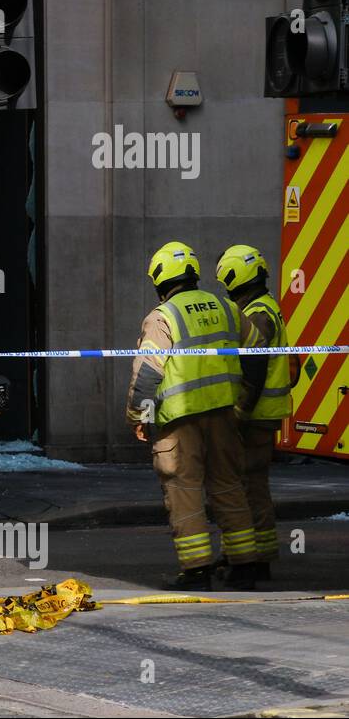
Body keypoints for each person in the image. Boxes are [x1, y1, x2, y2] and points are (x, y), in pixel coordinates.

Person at [126, 241, 259, 590]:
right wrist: (244, 401)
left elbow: (147, 375)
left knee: (183, 490)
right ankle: (245, 566)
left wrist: (139, 415)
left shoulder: (162, 317)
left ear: (160, 280)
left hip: (179, 421)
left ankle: (197, 570)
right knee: (229, 485)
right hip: (224, 416)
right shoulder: (227, 307)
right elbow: (260, 349)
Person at [216, 245, 292, 580]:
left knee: (246, 488)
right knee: (253, 486)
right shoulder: (267, 307)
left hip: (254, 417)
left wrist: (238, 412)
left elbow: (254, 369)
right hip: (266, 414)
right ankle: (255, 557)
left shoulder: (256, 314)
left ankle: (250, 562)